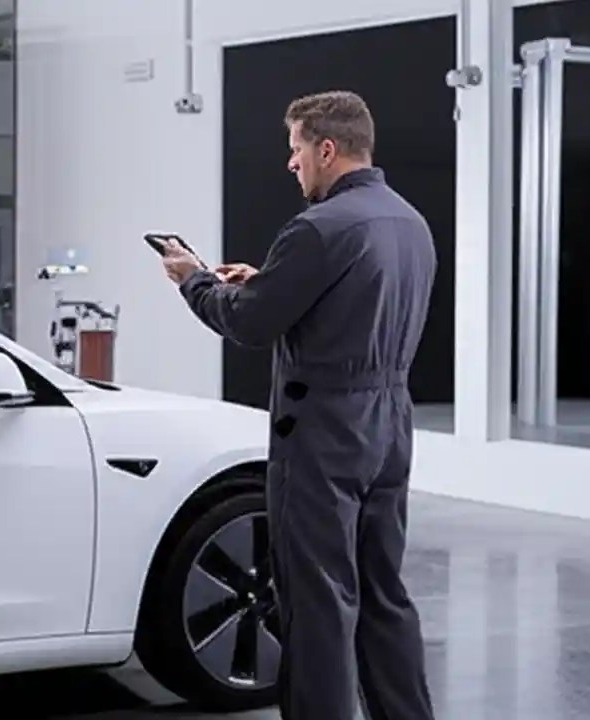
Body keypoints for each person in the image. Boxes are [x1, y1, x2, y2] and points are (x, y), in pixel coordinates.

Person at [157, 90, 437, 720]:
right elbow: (345, 303)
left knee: (317, 603)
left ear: (327, 149)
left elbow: (252, 326)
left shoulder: (316, 228)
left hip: (323, 435)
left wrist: (193, 279)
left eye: (297, 149)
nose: (292, 163)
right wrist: (266, 280)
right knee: (383, 593)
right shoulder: (409, 223)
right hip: (389, 424)